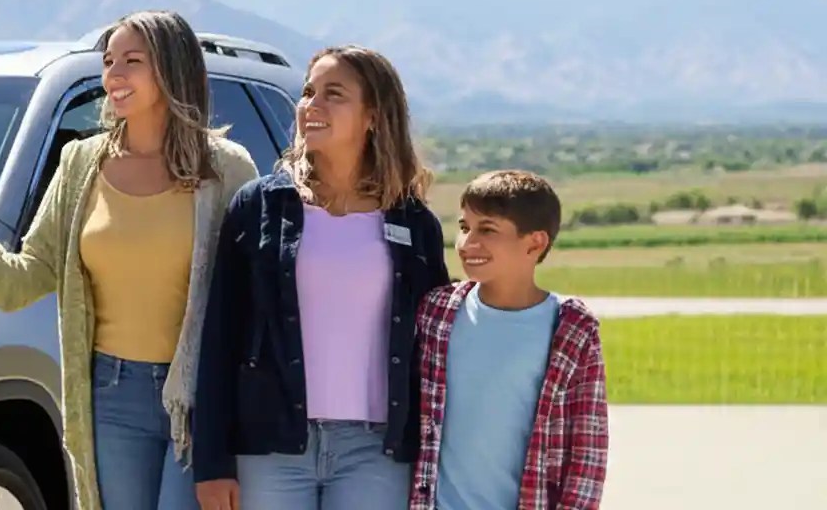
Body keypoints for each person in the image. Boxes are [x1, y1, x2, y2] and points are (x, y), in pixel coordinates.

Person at [0, 10, 260, 510]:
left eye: (132, 61)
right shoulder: (81, 163)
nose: (114, 75)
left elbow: (252, 301)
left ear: (172, 67)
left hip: (199, 397)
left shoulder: (227, 169)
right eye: (109, 62)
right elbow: (26, 277)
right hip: (109, 394)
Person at [193, 45, 451, 510]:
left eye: (334, 94)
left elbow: (434, 351)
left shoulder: (415, 224)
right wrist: (212, 462)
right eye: (309, 91)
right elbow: (219, 338)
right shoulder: (258, 207)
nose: (312, 104)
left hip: (375, 451)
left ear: (373, 115)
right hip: (270, 447)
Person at [408, 170, 609, 510]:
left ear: (535, 243)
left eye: (487, 229)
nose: (468, 243)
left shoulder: (570, 328)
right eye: (464, 227)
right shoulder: (437, 312)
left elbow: (587, 453)